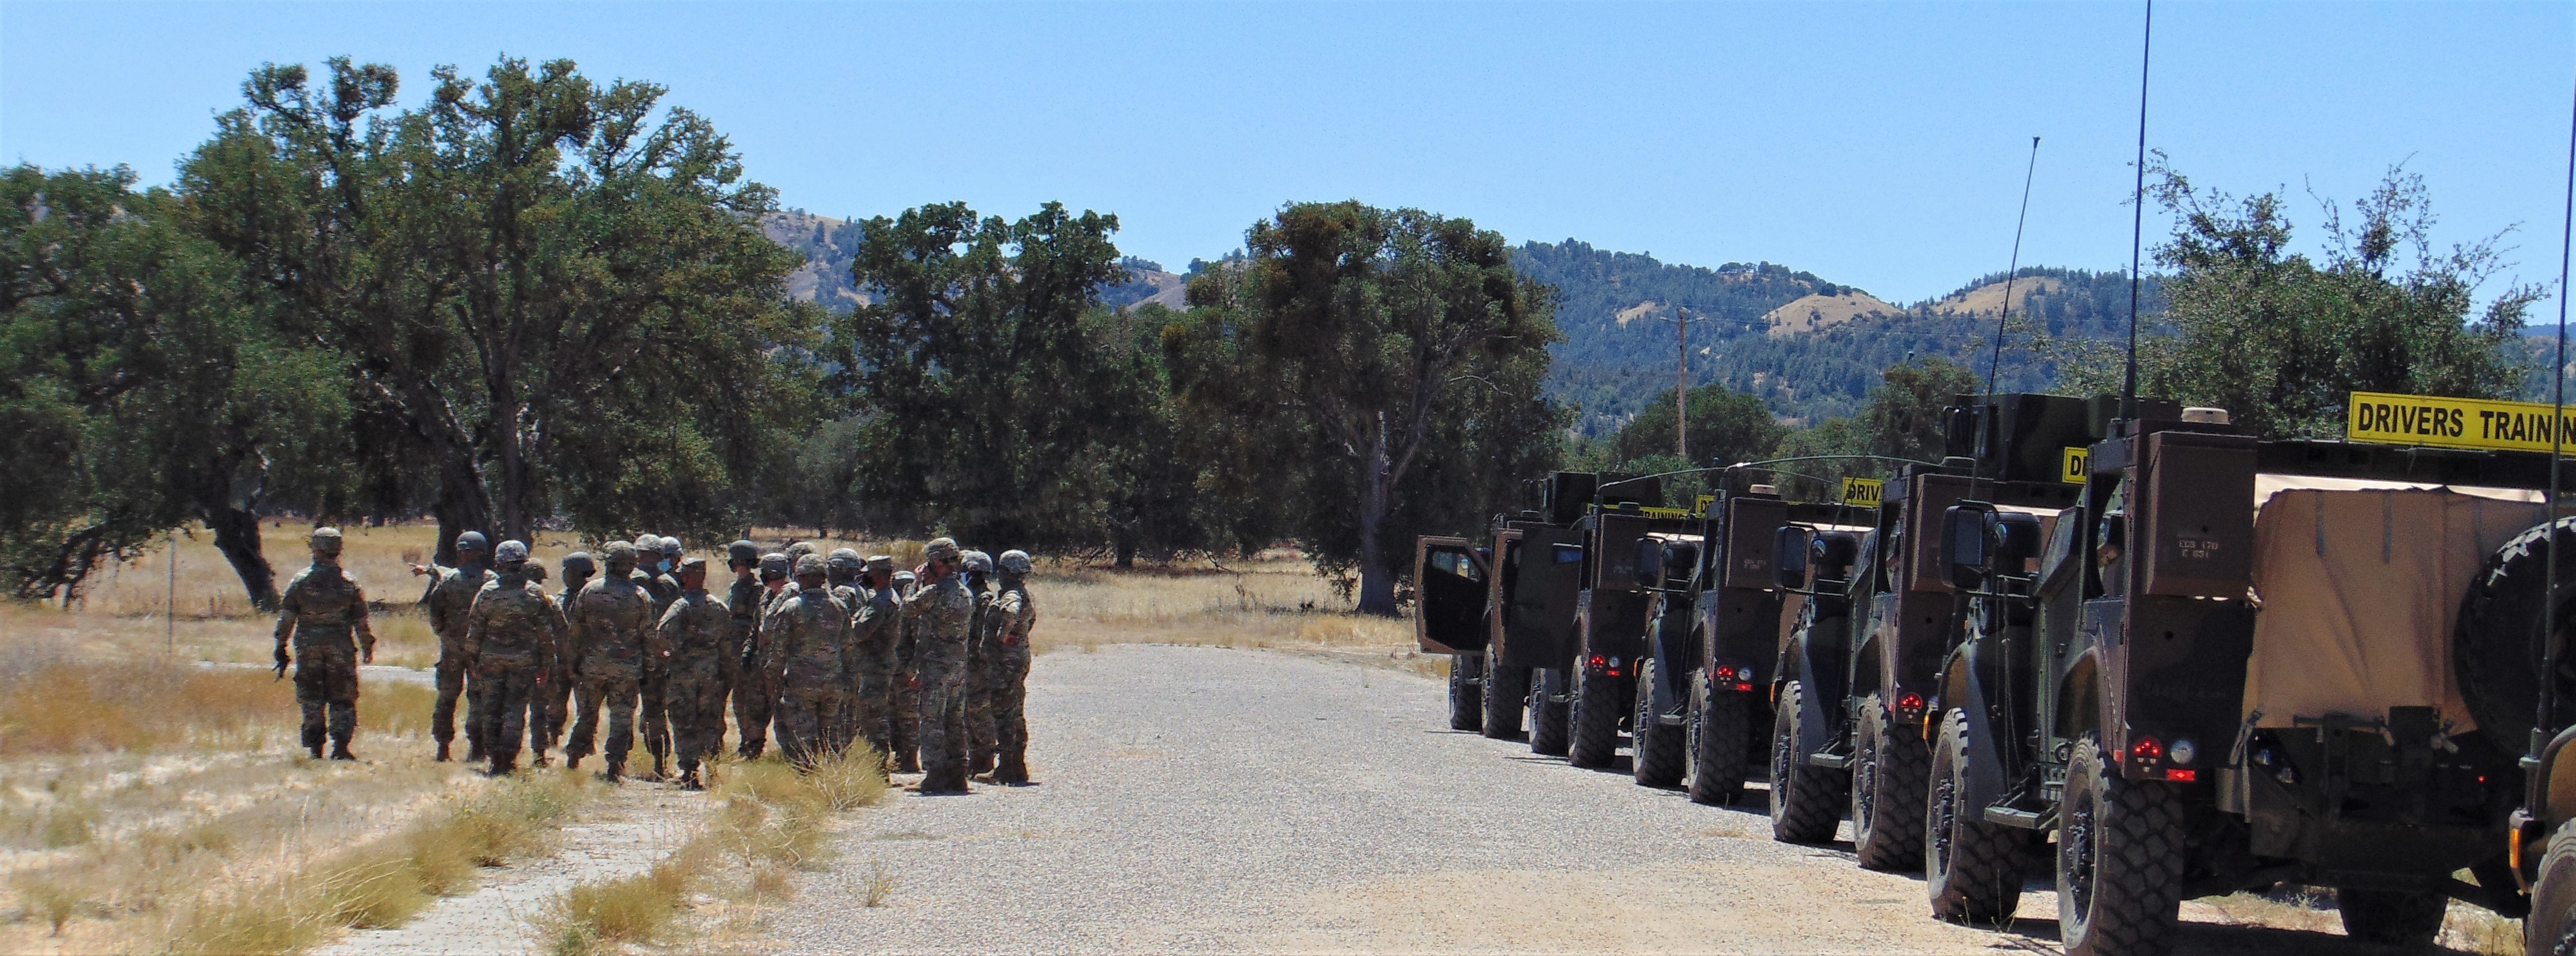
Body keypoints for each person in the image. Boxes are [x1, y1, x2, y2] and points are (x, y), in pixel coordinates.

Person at [460, 540, 562, 776]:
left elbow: (475, 631)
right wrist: (546, 664)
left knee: (491, 709)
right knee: (515, 710)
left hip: (490, 661)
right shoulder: (535, 593)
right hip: (524, 662)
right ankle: (509, 758)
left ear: (499, 562)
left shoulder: (487, 592)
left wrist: (472, 660)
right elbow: (545, 634)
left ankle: (495, 759)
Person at [274, 527, 376, 761]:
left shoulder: (300, 582)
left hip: (308, 647)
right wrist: (367, 647)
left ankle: (315, 748)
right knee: (343, 696)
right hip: (341, 647)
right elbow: (361, 621)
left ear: (316, 550)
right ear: (338, 550)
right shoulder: (349, 584)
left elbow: (287, 618)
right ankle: (341, 747)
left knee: (312, 697)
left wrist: (280, 645)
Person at [566, 541, 654, 782]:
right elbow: (649, 636)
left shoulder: (589, 591)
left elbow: (575, 631)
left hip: (593, 665)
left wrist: (572, 663)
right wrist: (649, 667)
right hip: (627, 669)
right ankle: (615, 764)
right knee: (622, 716)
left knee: (587, 714)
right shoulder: (641, 596)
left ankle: (574, 756)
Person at [902, 538, 978, 793]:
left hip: (936, 667)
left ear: (936, 562)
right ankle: (958, 774)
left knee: (932, 720)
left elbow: (909, 609)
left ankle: (935, 775)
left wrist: (915, 584)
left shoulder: (934, 592)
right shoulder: (965, 593)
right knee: (955, 721)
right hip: (958, 667)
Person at [764, 554, 852, 770]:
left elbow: (779, 649)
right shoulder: (840, 607)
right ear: (824, 577)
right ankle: (834, 779)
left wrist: (772, 676)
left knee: (803, 737)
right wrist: (850, 681)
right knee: (832, 735)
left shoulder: (791, 608)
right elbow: (849, 648)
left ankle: (806, 779)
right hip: (833, 681)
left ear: (800, 577)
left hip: (801, 684)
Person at [654, 557, 732, 789]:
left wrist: (672, 652)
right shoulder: (719, 606)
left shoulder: (681, 606)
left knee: (684, 719)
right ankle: (713, 769)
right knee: (711, 720)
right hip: (712, 673)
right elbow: (728, 645)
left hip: (684, 673)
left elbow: (663, 635)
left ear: (686, 577)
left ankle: (689, 771)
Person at [415, 531, 494, 763]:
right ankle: (477, 749)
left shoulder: (449, 580)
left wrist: (444, 634)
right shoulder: (491, 581)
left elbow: (435, 610)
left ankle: (443, 749)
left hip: (452, 649)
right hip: (480, 650)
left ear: (462, 552)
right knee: (478, 697)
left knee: (447, 697)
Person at [980, 550, 1038, 785]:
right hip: (1018, 660)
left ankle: (1006, 768)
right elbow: (1030, 620)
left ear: (1006, 571)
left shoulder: (1011, 595)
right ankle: (1017, 766)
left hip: (1005, 664)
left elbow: (1011, 612)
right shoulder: (1025, 594)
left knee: (1003, 712)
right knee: (1014, 711)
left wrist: (1003, 634)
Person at [538, 552, 595, 765]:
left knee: (586, 705)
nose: (564, 575)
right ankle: (553, 737)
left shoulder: (590, 596)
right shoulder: (561, 596)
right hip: (560, 660)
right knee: (555, 701)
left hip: (583, 659)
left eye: (568, 571)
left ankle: (586, 742)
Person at [846, 555, 902, 769]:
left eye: (869, 573)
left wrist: (845, 622)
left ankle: (878, 767)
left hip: (875, 667)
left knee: (872, 718)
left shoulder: (882, 602)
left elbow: (859, 632)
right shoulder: (881, 598)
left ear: (878, 575)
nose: (865, 577)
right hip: (875, 665)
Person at [736, 550, 793, 758]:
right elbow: (756, 627)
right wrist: (748, 651)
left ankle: (791, 754)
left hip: (782, 664)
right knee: (755, 709)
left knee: (784, 712)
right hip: (763, 663)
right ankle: (752, 750)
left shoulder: (792, 594)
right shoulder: (767, 595)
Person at [960, 550, 1000, 777]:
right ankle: (975, 759)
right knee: (968, 710)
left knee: (979, 710)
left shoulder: (984, 599)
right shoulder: (969, 595)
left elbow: (983, 634)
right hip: (968, 661)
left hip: (979, 663)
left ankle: (985, 759)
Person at [724, 540, 763, 759]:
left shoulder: (755, 589)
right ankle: (744, 739)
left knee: (746, 697)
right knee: (738, 700)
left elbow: (753, 621)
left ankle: (752, 741)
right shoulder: (734, 586)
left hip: (744, 647)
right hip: (731, 647)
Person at [824, 548, 866, 749]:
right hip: (857, 660)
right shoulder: (861, 591)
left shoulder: (843, 593)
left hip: (843, 661)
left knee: (841, 713)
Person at [888, 568, 922, 774]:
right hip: (892, 670)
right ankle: (900, 757)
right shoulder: (892, 608)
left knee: (909, 717)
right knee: (893, 715)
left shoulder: (913, 614)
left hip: (906, 673)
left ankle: (909, 760)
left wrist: (914, 671)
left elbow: (920, 643)